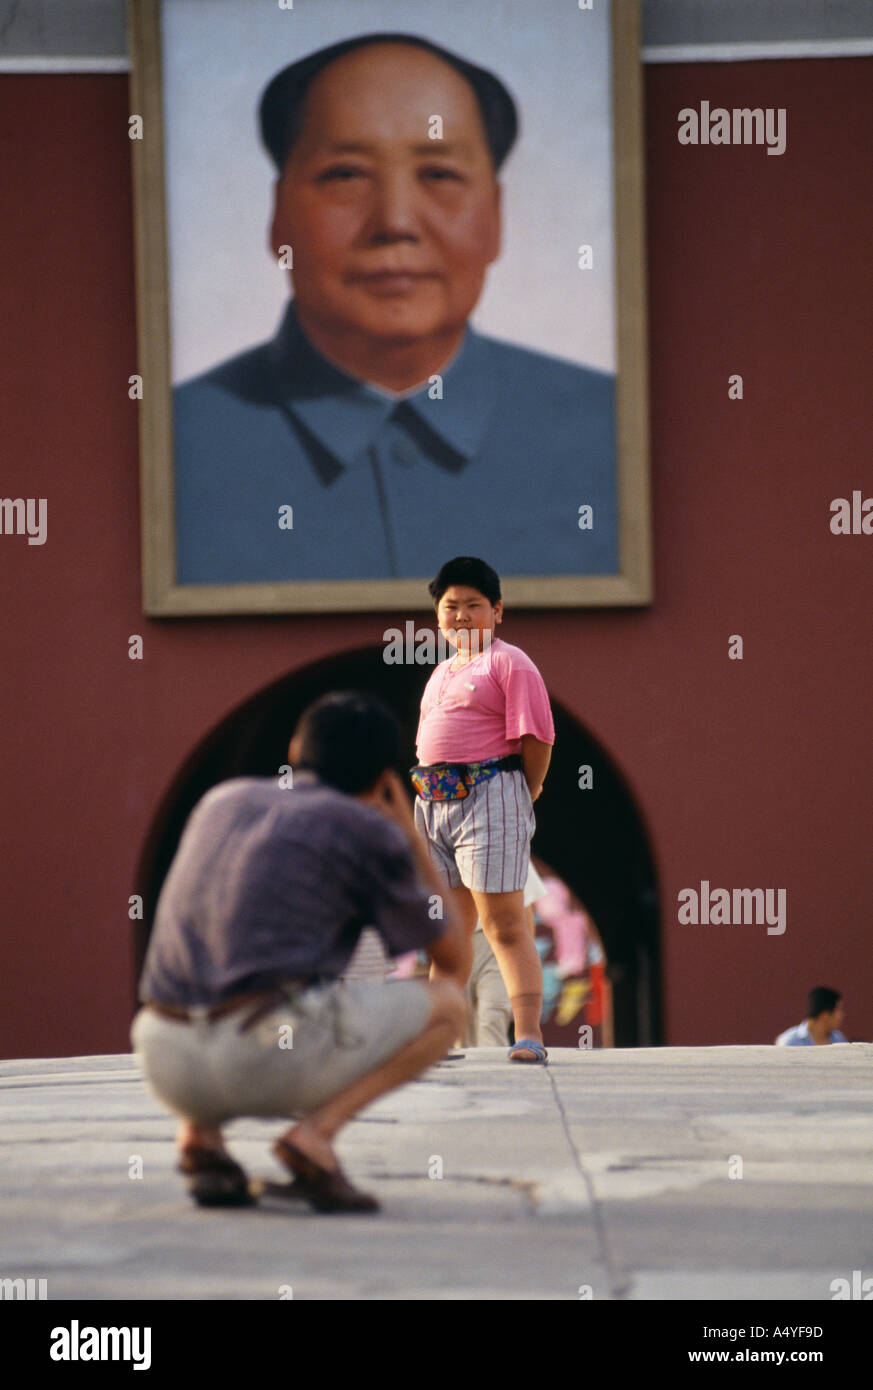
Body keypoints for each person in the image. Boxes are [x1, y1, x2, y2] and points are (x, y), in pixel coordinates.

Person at [174, 32, 616, 585]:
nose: (396, 222)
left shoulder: (616, 433)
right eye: (347, 174)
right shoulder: (173, 447)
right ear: (277, 213)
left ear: (496, 215)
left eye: (439, 175)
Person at [131, 692, 467, 1212]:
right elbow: (454, 959)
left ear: (295, 748)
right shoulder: (368, 829)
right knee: (448, 1007)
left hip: (162, 1054)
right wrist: (409, 833)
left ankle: (200, 1139)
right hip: (262, 1058)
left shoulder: (224, 800)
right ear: (383, 778)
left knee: (225, 957)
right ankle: (314, 1139)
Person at [411, 555, 555, 1063]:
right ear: (437, 616)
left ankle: (530, 1034)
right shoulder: (440, 672)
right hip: (434, 801)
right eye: (451, 606)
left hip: (491, 792)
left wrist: (527, 791)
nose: (462, 616)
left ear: (497, 611)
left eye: (474, 605)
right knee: (449, 932)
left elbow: (537, 738)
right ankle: (443, 1037)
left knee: (504, 925)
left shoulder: (509, 662)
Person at [463, 862, 545, 1048]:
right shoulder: (439, 846)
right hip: (459, 942)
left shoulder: (506, 845)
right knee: (460, 1024)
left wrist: (526, 958)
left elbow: (525, 907)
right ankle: (464, 1075)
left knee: (491, 1015)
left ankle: (495, 1072)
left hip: (498, 944)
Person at [775, 987, 848, 1045]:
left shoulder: (839, 1039)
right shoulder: (790, 1041)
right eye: (838, 1010)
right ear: (825, 1015)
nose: (842, 1015)